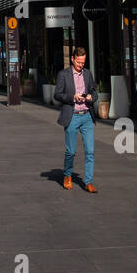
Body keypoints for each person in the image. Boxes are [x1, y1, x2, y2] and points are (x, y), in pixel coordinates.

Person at [54, 47, 97, 193]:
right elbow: (57, 95)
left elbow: (93, 91)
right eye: (78, 62)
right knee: (71, 151)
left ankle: (89, 182)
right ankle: (67, 175)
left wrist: (92, 97)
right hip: (72, 115)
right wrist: (73, 97)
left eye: (83, 62)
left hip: (87, 116)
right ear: (72, 59)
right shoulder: (63, 75)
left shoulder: (88, 73)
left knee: (90, 151)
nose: (81, 65)